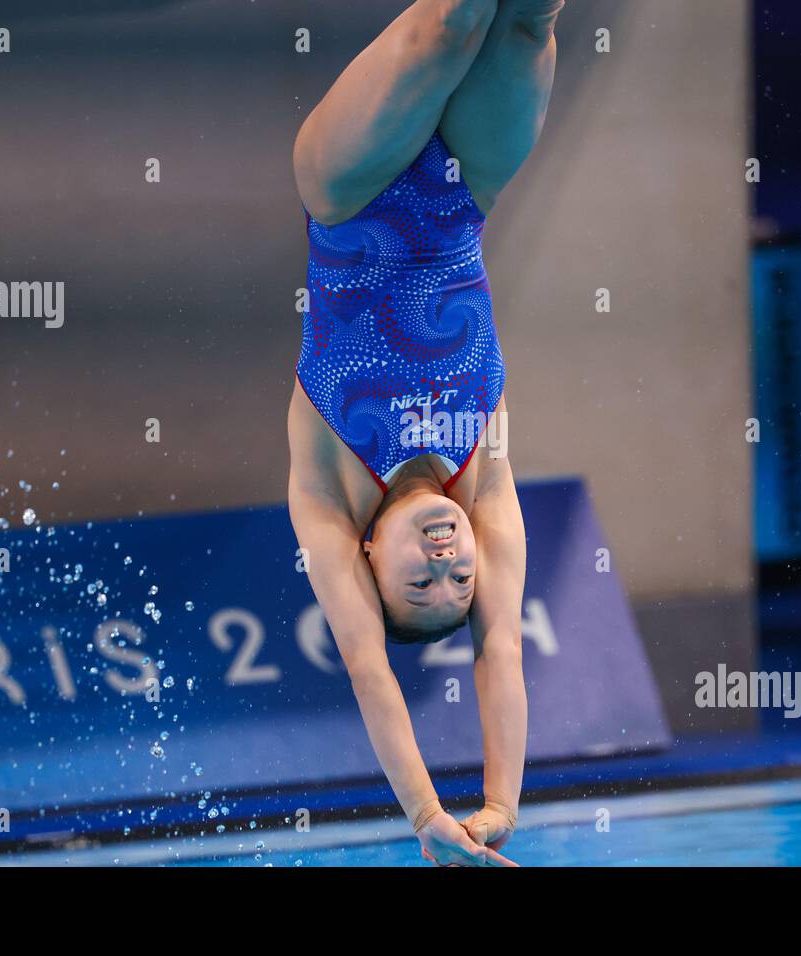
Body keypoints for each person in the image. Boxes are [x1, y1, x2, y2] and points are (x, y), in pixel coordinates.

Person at [286, 0, 563, 865]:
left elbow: (369, 666)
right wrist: (502, 803)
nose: (447, 558)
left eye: (422, 581)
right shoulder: (486, 483)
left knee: (451, 23)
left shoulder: (330, 495)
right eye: (458, 577)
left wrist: (423, 814)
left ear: (370, 563)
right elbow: (504, 645)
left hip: (346, 189)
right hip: (462, 197)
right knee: (527, 20)